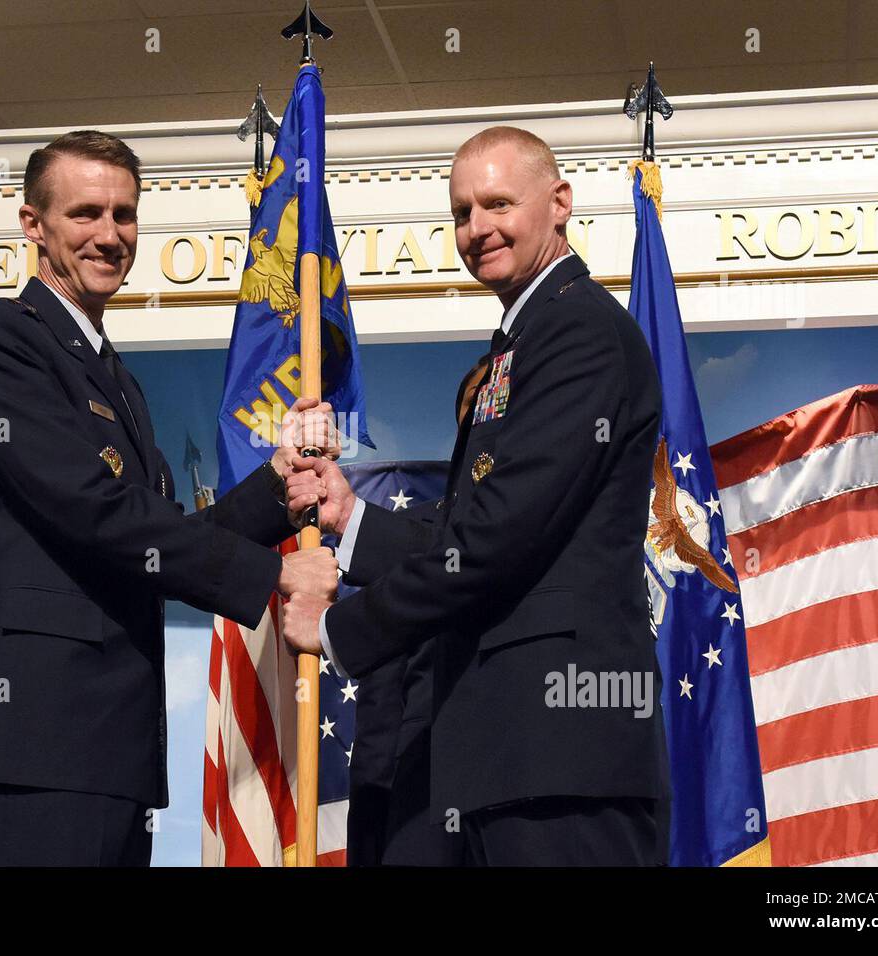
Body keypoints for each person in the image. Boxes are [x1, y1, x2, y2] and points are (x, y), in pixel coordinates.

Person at [0, 129, 339, 866]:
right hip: (32, 748)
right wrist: (277, 576)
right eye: (85, 213)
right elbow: (95, 513)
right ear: (34, 225)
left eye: (124, 215)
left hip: (111, 754)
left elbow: (151, 535)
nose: (109, 235)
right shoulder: (1, 342)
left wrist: (276, 489)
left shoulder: (116, 380)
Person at [283, 126, 670, 866]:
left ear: (559, 203)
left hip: (565, 754)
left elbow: (495, 540)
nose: (477, 229)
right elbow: (478, 526)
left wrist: (341, 630)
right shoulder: (525, 340)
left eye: (497, 203)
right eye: (462, 212)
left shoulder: (579, 332)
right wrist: (351, 519)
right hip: (511, 759)